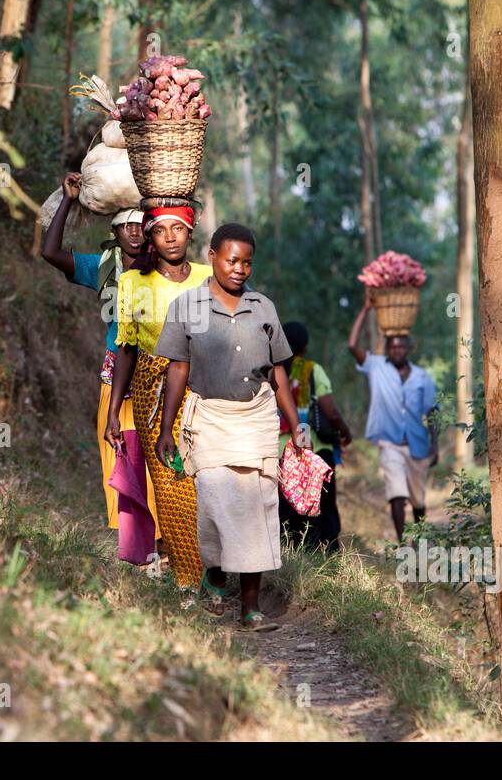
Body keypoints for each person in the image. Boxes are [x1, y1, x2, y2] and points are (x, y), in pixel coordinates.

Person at [152, 223, 306, 632]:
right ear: (212, 256)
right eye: (232, 259)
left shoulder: (264, 307)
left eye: (247, 262)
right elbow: (178, 369)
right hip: (211, 420)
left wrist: (294, 428)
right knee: (216, 499)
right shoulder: (187, 307)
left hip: (256, 419)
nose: (240, 269)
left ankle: (250, 608)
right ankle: (217, 572)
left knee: (256, 508)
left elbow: (278, 374)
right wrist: (167, 428)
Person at [39, 172, 157, 536]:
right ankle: (133, 540)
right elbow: (50, 253)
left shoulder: (165, 268)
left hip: (159, 377)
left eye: (141, 226)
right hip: (116, 377)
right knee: (119, 452)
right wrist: (67, 200)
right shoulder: (104, 268)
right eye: (127, 227)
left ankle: (163, 542)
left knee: (156, 460)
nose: (135, 232)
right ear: (116, 233)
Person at [104, 204, 212, 588]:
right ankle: (188, 576)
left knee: (205, 477)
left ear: (190, 232)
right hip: (153, 390)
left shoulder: (208, 277)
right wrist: (115, 411)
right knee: (169, 481)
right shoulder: (134, 282)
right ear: (150, 236)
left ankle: (217, 567)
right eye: (161, 229)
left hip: (204, 387)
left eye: (178, 229)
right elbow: (127, 349)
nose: (170, 237)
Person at [348, 288, 439, 541]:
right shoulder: (376, 367)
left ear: (408, 348)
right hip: (389, 443)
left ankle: (419, 540)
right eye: (393, 346)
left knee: (418, 500)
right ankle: (403, 545)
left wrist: (436, 446)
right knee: (396, 494)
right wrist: (366, 308)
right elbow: (352, 345)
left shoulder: (422, 377)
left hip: (417, 446)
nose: (397, 349)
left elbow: (432, 412)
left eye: (402, 346)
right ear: (387, 349)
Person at [277, 321, 353, 550]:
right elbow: (329, 410)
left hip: (282, 450)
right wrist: (345, 431)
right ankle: (327, 548)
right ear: (305, 347)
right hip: (316, 450)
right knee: (323, 501)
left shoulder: (274, 371)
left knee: (288, 503)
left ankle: (290, 549)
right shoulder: (311, 370)